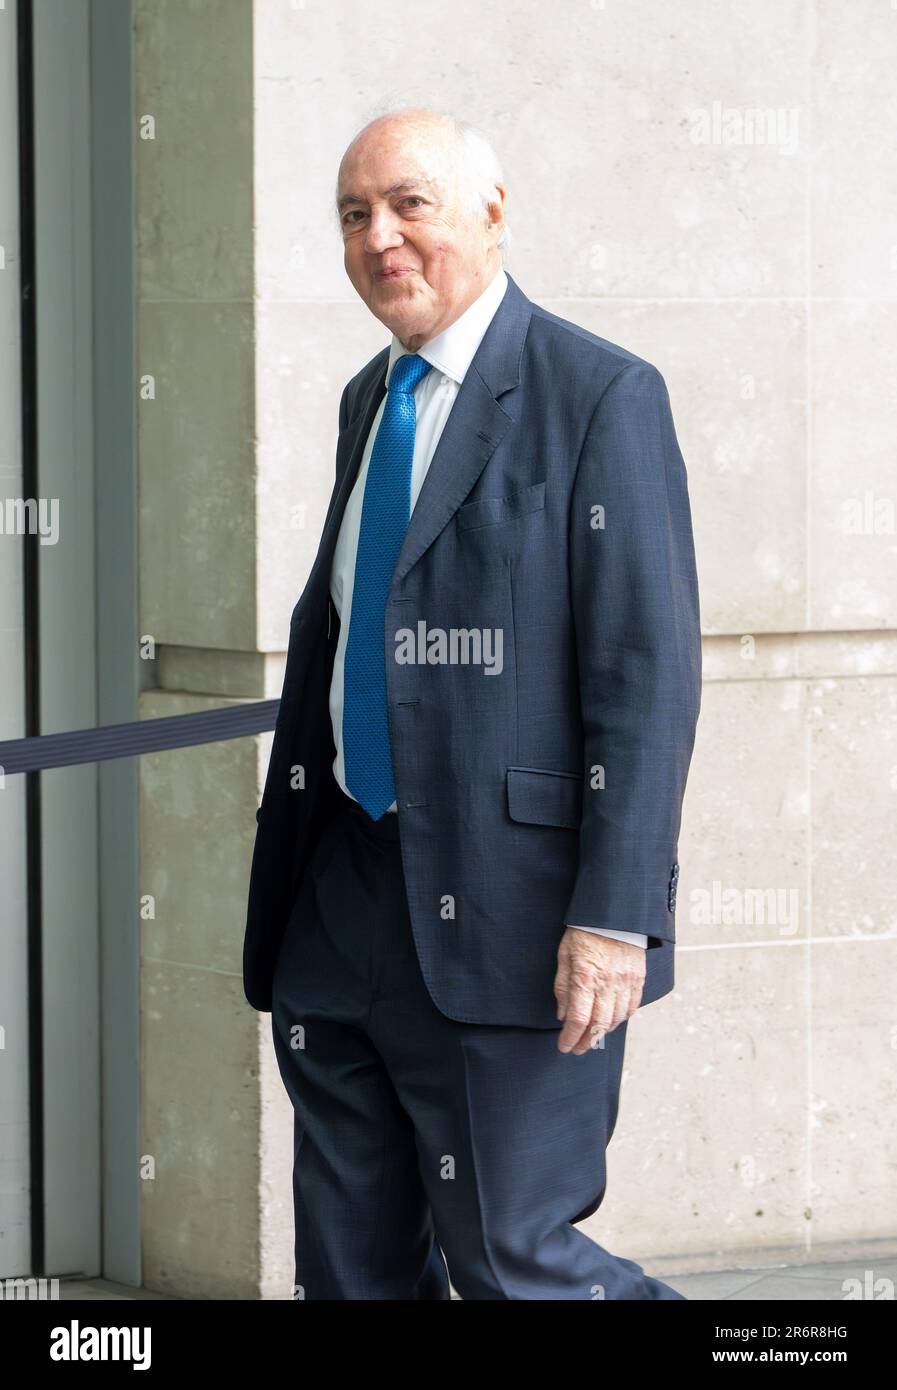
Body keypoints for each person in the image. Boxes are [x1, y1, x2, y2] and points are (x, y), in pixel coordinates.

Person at [242, 106, 702, 1300]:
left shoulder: (600, 396)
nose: (380, 238)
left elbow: (644, 676)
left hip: (515, 921)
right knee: (349, 1273)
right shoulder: (368, 399)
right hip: (341, 904)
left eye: (410, 204)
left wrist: (614, 914)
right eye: (355, 215)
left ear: (495, 213)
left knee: (519, 1264)